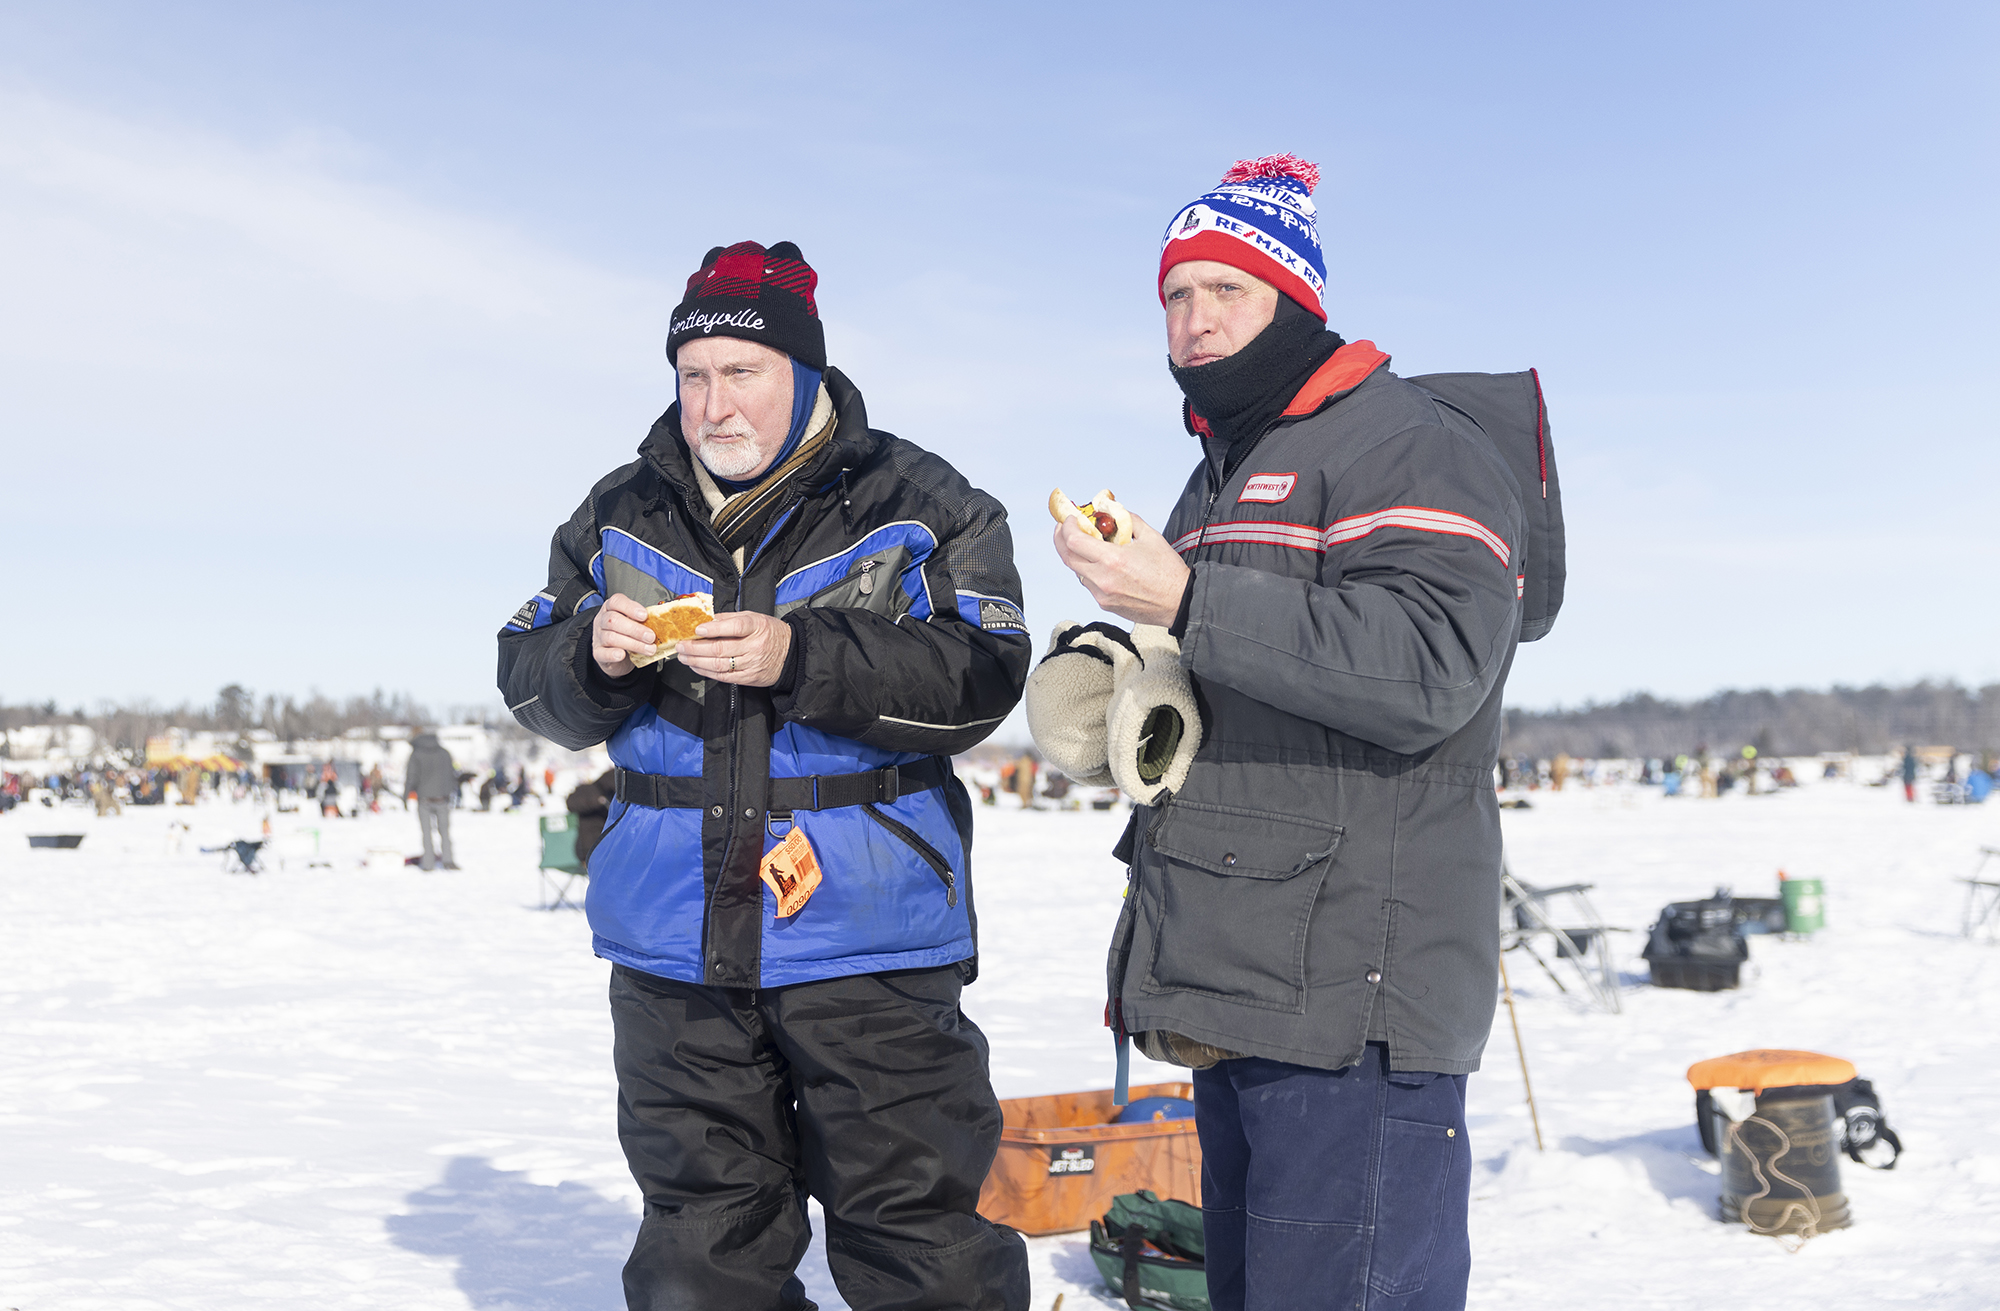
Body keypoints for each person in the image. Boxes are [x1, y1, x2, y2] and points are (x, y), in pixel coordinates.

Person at [496, 240, 1032, 1311]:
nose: (713, 403)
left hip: (866, 934)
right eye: (692, 377)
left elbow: (985, 673)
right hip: (672, 941)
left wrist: (806, 655)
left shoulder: (920, 501)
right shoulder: (618, 513)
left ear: (803, 373)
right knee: (701, 1247)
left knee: (916, 1238)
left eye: (740, 373)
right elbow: (525, 676)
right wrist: (583, 658)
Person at [1054, 155, 1532, 1311]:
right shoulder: (1230, 462)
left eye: (1226, 289)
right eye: (1174, 295)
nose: (1193, 319)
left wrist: (1182, 601)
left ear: (1295, 299)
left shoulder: (1403, 442)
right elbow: (1243, 670)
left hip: (1350, 1003)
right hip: (1246, 975)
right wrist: (1116, 671)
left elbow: (1431, 668)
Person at [403, 732, 459, 870]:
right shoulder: (445, 753)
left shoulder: (416, 755)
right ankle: (448, 861)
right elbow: (451, 775)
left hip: (424, 799)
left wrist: (405, 796)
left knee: (426, 832)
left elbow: (411, 777)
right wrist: (451, 793)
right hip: (442, 798)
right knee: (445, 832)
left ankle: (428, 864)